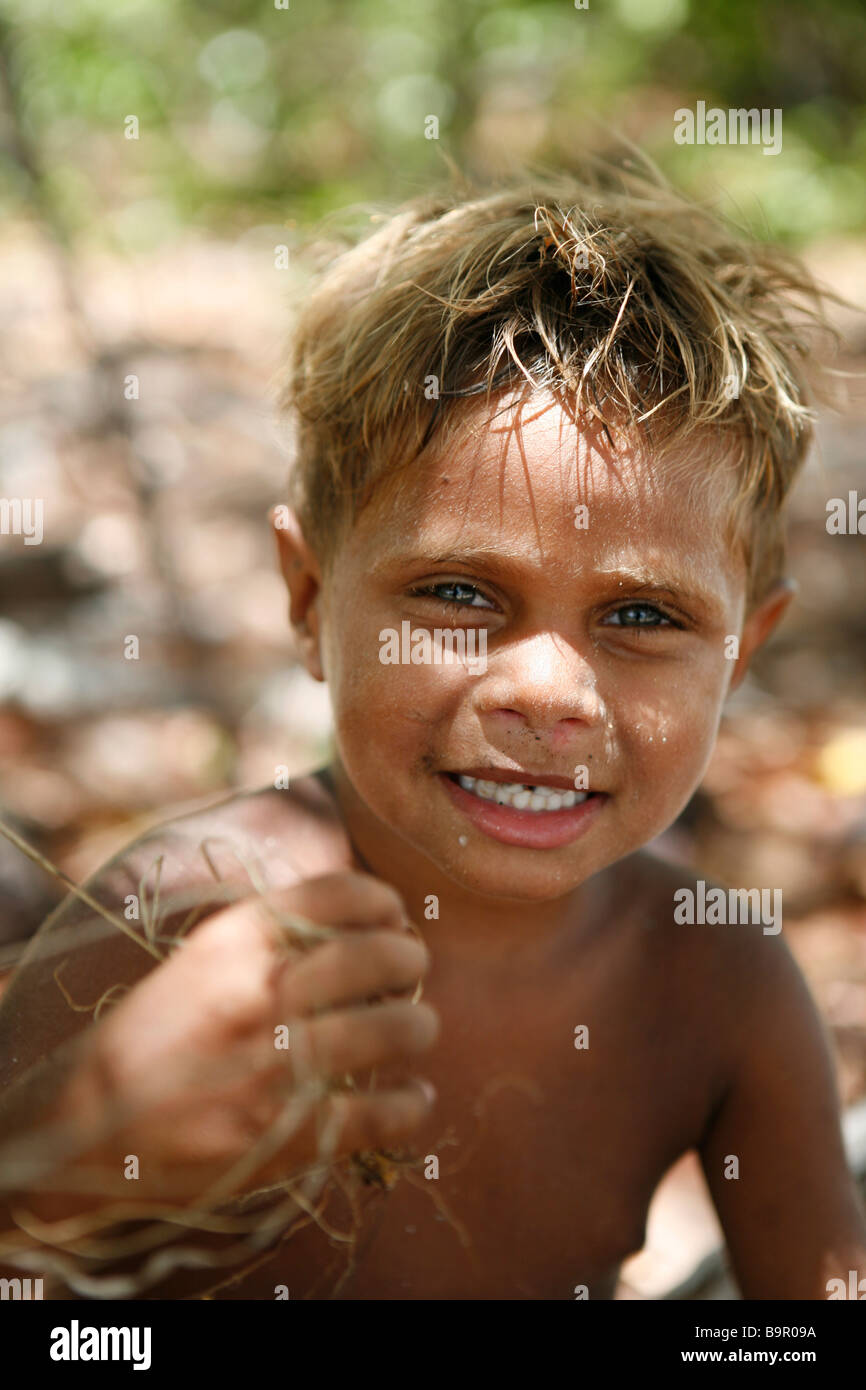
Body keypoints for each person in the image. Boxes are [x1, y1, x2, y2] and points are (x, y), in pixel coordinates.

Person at [2, 159, 865, 1300]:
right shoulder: (174, 929)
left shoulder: (712, 980)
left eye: (642, 615)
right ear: (310, 599)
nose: (548, 692)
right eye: (458, 594)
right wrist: (68, 1161)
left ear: (738, 654)